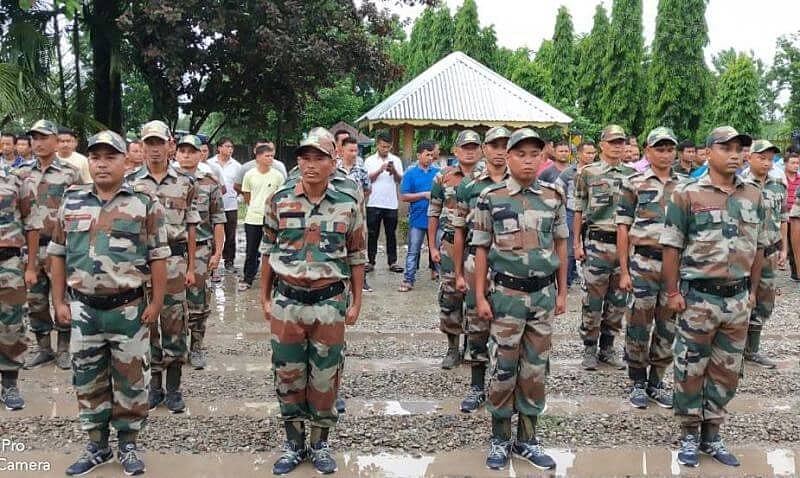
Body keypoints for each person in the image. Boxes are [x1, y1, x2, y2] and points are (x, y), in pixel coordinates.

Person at [49, 130, 169, 476]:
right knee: (87, 379)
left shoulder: (143, 202)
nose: (102, 164)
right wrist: (58, 301)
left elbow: (159, 256)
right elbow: (57, 254)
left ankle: (128, 444)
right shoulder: (71, 200)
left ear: (126, 161)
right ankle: (97, 446)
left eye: (110, 157)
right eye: (96, 157)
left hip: (128, 309)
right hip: (84, 310)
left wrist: (157, 302)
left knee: (131, 380)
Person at [260, 128, 366, 475]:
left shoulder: (349, 201)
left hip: (329, 302)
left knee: (325, 378)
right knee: (287, 375)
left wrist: (356, 302)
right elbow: (267, 251)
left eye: (319, 157)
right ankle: (293, 443)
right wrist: (264, 298)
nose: (311, 164)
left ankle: (320, 444)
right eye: (305, 157)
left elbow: (356, 254)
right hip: (287, 301)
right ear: (298, 161)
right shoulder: (280, 198)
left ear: (333, 161)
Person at [661, 126, 765, 469]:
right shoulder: (687, 193)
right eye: (727, 148)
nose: (735, 154)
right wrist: (673, 292)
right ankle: (690, 434)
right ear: (709, 153)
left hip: (736, 300)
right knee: (691, 367)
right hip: (698, 298)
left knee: (726, 370)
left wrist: (752, 291)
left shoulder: (752, 194)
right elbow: (672, 246)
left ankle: (713, 433)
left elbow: (758, 247)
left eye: (740, 148)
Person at [472, 128, 567, 471]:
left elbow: (561, 245)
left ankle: (527, 439)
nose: (528, 161)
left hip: (541, 295)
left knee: (535, 368)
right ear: (508, 158)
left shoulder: (554, 195)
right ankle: (499, 437)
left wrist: (562, 291)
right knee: (503, 367)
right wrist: (481, 295)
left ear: (543, 157)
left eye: (534, 155)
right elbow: (481, 248)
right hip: (506, 296)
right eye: (521, 154)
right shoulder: (492, 197)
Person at [130, 120, 199, 414]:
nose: (155, 149)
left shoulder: (185, 182)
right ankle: (154, 387)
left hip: (174, 263)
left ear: (169, 145)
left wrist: (192, 267)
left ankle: (174, 388)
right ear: (142, 146)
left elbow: (193, 228)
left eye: (160, 143)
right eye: (149, 143)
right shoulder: (132, 183)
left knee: (174, 325)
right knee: (147, 326)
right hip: (142, 265)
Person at [616, 127, 680, 409]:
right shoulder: (634, 183)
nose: (665, 154)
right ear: (648, 151)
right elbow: (622, 226)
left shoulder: (686, 186)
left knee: (668, 325)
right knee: (639, 322)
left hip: (674, 266)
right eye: (660, 149)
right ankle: (638, 381)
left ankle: (657, 380)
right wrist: (625, 270)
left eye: (670, 149)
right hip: (643, 261)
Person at [452, 126, 510, 414]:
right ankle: (476, 386)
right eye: (494, 145)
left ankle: (503, 387)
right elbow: (459, 230)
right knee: (476, 327)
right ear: (485, 149)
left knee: (508, 328)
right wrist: (460, 273)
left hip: (510, 265)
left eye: (505, 145)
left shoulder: (520, 182)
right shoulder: (469, 185)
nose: (500, 151)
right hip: (477, 263)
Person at [18, 120, 82, 370]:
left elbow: (78, 211)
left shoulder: (70, 173)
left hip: (61, 248)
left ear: (56, 141)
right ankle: (44, 348)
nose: (39, 142)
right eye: (35, 138)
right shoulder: (21, 174)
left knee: (64, 297)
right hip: (30, 248)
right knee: (35, 300)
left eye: (44, 137)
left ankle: (64, 348)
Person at [573, 125, 634, 371]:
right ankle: (589, 348)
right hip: (596, 243)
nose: (618, 146)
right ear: (602, 145)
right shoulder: (588, 173)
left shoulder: (632, 175)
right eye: (613, 142)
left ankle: (607, 347)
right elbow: (578, 209)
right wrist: (576, 243)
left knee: (618, 300)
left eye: (621, 142)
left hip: (623, 246)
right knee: (593, 299)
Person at [429, 130, 482, 370]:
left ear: (481, 150)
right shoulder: (443, 177)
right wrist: (432, 246)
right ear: (456, 151)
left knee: (476, 296)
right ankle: (452, 348)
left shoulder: (489, 177)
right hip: (450, 243)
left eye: (474, 146)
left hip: (478, 245)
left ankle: (473, 346)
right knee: (450, 296)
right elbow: (433, 211)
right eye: (465, 147)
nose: (470, 151)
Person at [174, 134, 226, 370]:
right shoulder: (168, 182)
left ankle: (196, 346)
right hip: (173, 250)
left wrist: (217, 253)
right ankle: (174, 347)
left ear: (199, 154)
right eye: (182, 151)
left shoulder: (209, 183)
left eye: (191, 151)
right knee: (171, 301)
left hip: (202, 249)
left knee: (199, 299)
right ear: (175, 153)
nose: (186, 155)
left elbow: (218, 220)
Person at [0, 154, 41, 411]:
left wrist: (31, 266)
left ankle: (9, 384)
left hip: (8, 263)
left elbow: (32, 224)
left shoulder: (15, 180)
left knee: (11, 323)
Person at [745, 140, 787, 369]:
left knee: (765, 302)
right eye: (761, 157)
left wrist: (784, 248)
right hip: (745, 254)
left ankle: (752, 349)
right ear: (749, 158)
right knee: (742, 300)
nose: (766, 162)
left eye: (770, 158)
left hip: (769, 252)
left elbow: (783, 219)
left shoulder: (778, 186)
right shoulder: (739, 185)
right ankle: (732, 348)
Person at [239, 144, 285, 291]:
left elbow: (281, 196)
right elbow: (246, 195)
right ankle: (247, 279)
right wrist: (255, 206)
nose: (270, 158)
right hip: (253, 218)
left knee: (273, 250)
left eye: (272, 156)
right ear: (258, 157)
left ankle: (275, 280)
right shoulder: (250, 174)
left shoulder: (278, 175)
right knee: (251, 251)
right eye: (267, 156)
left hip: (272, 220)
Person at [398, 141, 438, 292]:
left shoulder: (438, 173)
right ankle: (408, 279)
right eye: (427, 154)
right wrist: (423, 195)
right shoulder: (410, 174)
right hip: (417, 218)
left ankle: (443, 278)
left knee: (438, 249)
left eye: (431, 155)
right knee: (413, 250)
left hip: (435, 219)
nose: (429, 158)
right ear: (419, 155)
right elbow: (404, 196)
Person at [557, 141, 596, 288]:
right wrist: (566, 204)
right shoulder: (568, 172)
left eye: (593, 153)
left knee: (589, 247)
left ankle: (587, 280)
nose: (590, 156)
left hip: (590, 216)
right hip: (571, 214)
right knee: (569, 249)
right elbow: (558, 188)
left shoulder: (597, 171)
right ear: (579, 154)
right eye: (587, 153)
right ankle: (565, 282)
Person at [364, 133, 404, 273]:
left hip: (391, 203)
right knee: (372, 233)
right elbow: (367, 180)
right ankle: (370, 261)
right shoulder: (369, 160)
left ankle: (392, 262)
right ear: (377, 145)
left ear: (391, 146)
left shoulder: (396, 160)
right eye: (382, 146)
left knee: (391, 233)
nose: (385, 149)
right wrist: (380, 170)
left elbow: (400, 180)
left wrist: (393, 171)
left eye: (387, 147)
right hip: (373, 202)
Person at [338, 136, 374, 292]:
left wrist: (357, 203)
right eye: (350, 150)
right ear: (341, 150)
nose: (354, 153)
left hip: (358, 215)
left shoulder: (361, 169)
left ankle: (360, 281)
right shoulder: (335, 168)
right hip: (338, 214)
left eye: (355, 150)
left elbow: (367, 189)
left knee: (359, 246)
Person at [209, 137, 241, 272]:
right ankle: (211, 260)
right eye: (227, 146)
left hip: (230, 205)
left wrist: (237, 198)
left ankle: (229, 261)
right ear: (219, 148)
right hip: (213, 207)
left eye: (231, 147)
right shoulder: (210, 164)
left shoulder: (237, 166)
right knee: (212, 234)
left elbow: (241, 186)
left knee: (230, 235)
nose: (230, 149)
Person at [784, 148, 800, 281]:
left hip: (797, 217)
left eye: (797, 163)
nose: (796, 165)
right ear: (786, 163)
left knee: (797, 245)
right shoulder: (780, 179)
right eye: (793, 163)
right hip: (784, 218)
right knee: (788, 246)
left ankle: (796, 273)